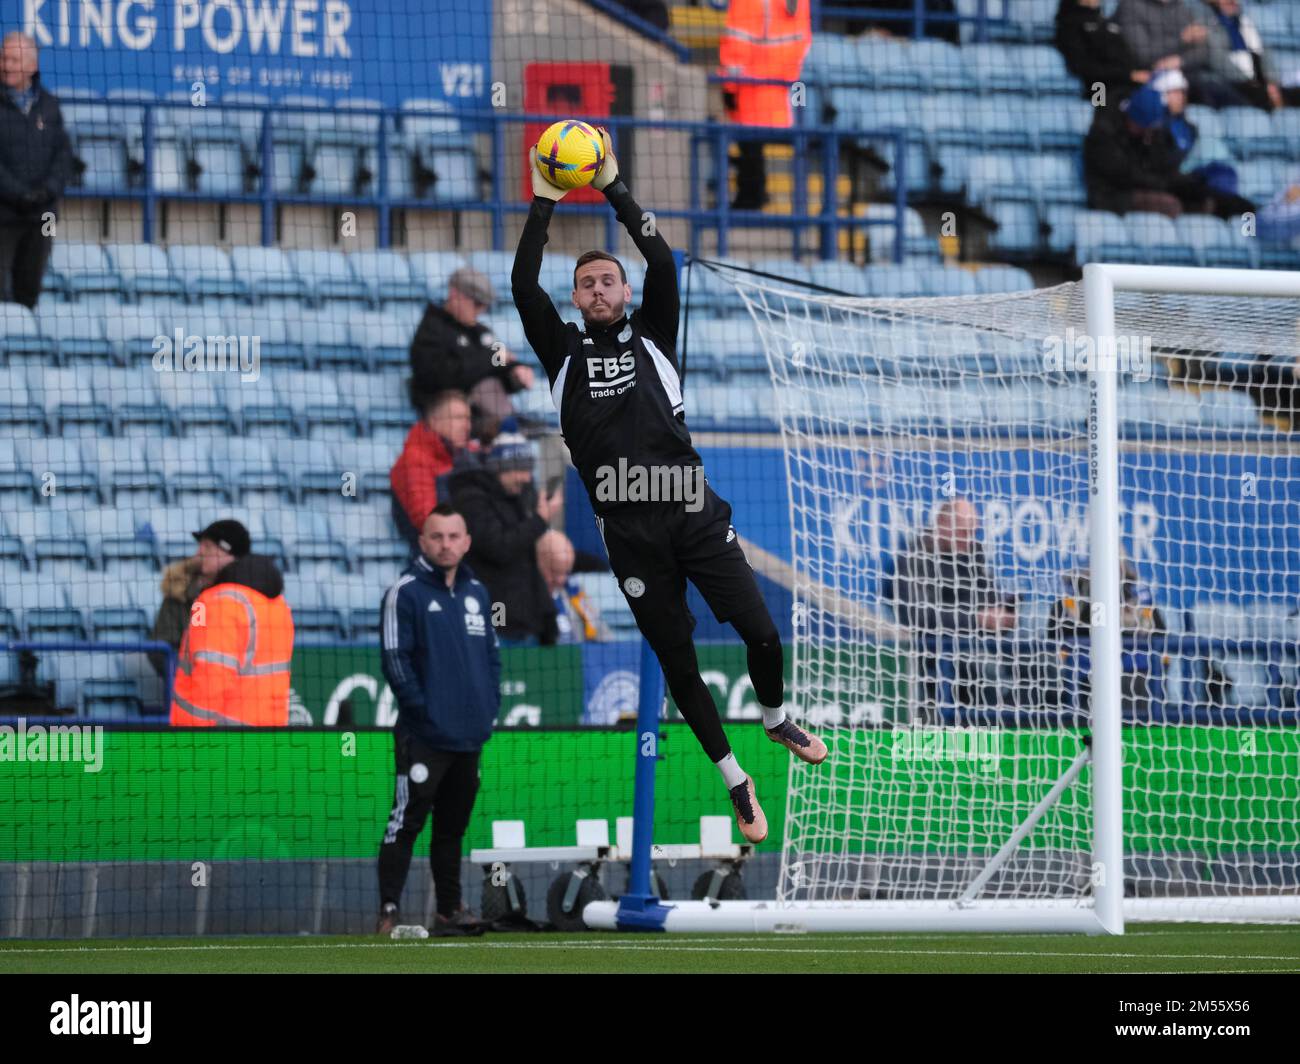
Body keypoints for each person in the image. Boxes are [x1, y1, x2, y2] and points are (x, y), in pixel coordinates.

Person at [512, 127, 827, 845]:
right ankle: (735, 781)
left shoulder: (656, 330)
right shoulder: (560, 349)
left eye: (607, 281)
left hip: (692, 512)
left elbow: (659, 251)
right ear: (576, 297)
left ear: (624, 291)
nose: (598, 290)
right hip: (629, 535)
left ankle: (776, 721)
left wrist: (614, 187)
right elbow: (521, 285)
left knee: (761, 633)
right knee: (679, 662)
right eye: (586, 284)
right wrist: (544, 201)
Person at [377, 504, 499, 937]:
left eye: (454, 536)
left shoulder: (477, 593)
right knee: (406, 821)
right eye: (437, 537)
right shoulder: (404, 592)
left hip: (468, 737)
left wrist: (487, 709)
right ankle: (388, 912)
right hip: (423, 736)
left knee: (452, 829)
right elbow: (395, 660)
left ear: (466, 542)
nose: (446, 544)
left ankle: (449, 911)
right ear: (422, 541)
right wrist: (425, 713)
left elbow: (491, 658)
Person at [889, 499, 1017, 721]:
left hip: (983, 638)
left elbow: (988, 594)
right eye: (962, 532)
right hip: (942, 648)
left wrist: (1001, 613)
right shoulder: (914, 558)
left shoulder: (972, 552)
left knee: (1039, 630)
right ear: (942, 523)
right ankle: (995, 734)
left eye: (972, 533)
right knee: (991, 670)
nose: (968, 540)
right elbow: (919, 616)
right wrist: (977, 619)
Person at [1083, 69, 1255, 219]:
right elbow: (1126, 176)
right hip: (1112, 195)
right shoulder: (1103, 135)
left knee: (1206, 200)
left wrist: (1188, 184)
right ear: (1136, 121)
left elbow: (1162, 165)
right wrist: (1168, 184)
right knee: (1170, 204)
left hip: (1150, 185)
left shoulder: (1152, 134)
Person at [445, 432, 564, 646]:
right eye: (520, 470)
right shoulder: (471, 499)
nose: (526, 478)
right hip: (494, 620)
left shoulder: (520, 496)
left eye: (528, 470)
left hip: (527, 621)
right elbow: (499, 548)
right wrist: (540, 520)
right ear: (500, 468)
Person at [408, 266, 535, 444]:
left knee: (490, 385)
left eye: (484, 306)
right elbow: (436, 378)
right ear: (454, 295)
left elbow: (500, 367)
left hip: (483, 414)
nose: (480, 310)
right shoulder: (432, 330)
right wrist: (489, 358)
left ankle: (511, 426)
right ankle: (511, 426)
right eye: (476, 303)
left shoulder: (482, 332)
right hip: (447, 413)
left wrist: (515, 373)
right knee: (486, 387)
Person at [169, 550, 294, 726]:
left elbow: (212, 677)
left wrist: (191, 736)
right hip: (269, 732)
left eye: (207, 546)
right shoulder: (279, 606)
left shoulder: (216, 603)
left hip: (221, 739)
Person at [0, 32, 73, 309]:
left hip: (44, 215)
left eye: (13, 59)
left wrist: (48, 191)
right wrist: (19, 194)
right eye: (3, 58)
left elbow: (63, 155)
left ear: (32, 65)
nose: (6, 65)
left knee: (30, 287)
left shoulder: (50, 105)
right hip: (4, 213)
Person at [717, 0, 811, 211]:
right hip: (785, 90)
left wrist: (729, 87)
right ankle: (756, 195)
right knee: (754, 147)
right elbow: (804, 44)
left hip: (752, 87)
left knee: (748, 144)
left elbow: (737, 47)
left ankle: (750, 198)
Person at [1048, 561, 1168, 718]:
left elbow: (1161, 639)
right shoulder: (1074, 599)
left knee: (1137, 675)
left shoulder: (1140, 599)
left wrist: (1136, 624)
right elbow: (1057, 637)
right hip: (1087, 675)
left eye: (1120, 561)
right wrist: (1076, 616)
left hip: (1133, 676)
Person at [149, 519, 252, 677]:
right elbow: (160, 650)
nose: (199, 552)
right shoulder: (182, 592)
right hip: (195, 692)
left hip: (241, 694)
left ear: (229, 555)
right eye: (200, 546)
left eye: (208, 547)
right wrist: (197, 675)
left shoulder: (253, 597)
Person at [1112, 0, 1251, 107]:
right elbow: (1143, 54)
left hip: (1186, 71)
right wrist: (1182, 39)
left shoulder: (1179, 6)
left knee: (1220, 85)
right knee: (1209, 86)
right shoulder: (1130, 6)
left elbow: (1204, 50)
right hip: (1150, 77)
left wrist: (1180, 60)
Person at [390, 390, 477, 551]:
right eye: (457, 418)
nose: (466, 426)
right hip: (436, 551)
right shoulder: (415, 459)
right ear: (434, 421)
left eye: (468, 418)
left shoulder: (470, 453)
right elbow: (427, 520)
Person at [1199, 0, 1300, 111]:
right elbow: (1218, 59)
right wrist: (1250, 82)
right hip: (1238, 83)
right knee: (1262, 97)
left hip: (1261, 81)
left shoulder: (1247, 24)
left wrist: (1272, 82)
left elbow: (1264, 53)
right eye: (1228, 2)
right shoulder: (1210, 26)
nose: (1233, 3)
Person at [1056, 0, 1151, 102]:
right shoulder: (1069, 26)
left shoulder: (1106, 23)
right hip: (1099, 86)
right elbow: (1083, 67)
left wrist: (1137, 73)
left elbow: (1125, 56)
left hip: (1127, 83)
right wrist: (1129, 75)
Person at [538, 529, 612, 643]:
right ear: (539, 564)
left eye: (566, 572)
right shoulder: (524, 596)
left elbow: (603, 635)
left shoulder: (573, 591)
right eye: (556, 572)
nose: (561, 579)